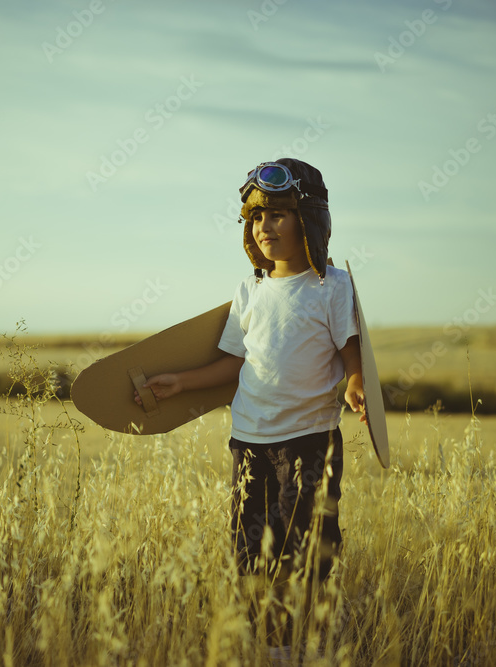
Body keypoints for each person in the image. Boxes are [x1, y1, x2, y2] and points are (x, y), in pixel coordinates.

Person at [135, 158, 366, 657]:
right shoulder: (250, 290)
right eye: (256, 217)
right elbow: (233, 363)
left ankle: (311, 640)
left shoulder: (333, 287)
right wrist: (181, 382)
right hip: (250, 443)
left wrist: (356, 383)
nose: (265, 227)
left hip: (310, 441)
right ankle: (271, 645)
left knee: (304, 548)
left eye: (279, 214)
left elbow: (352, 350)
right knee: (250, 552)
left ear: (311, 220)